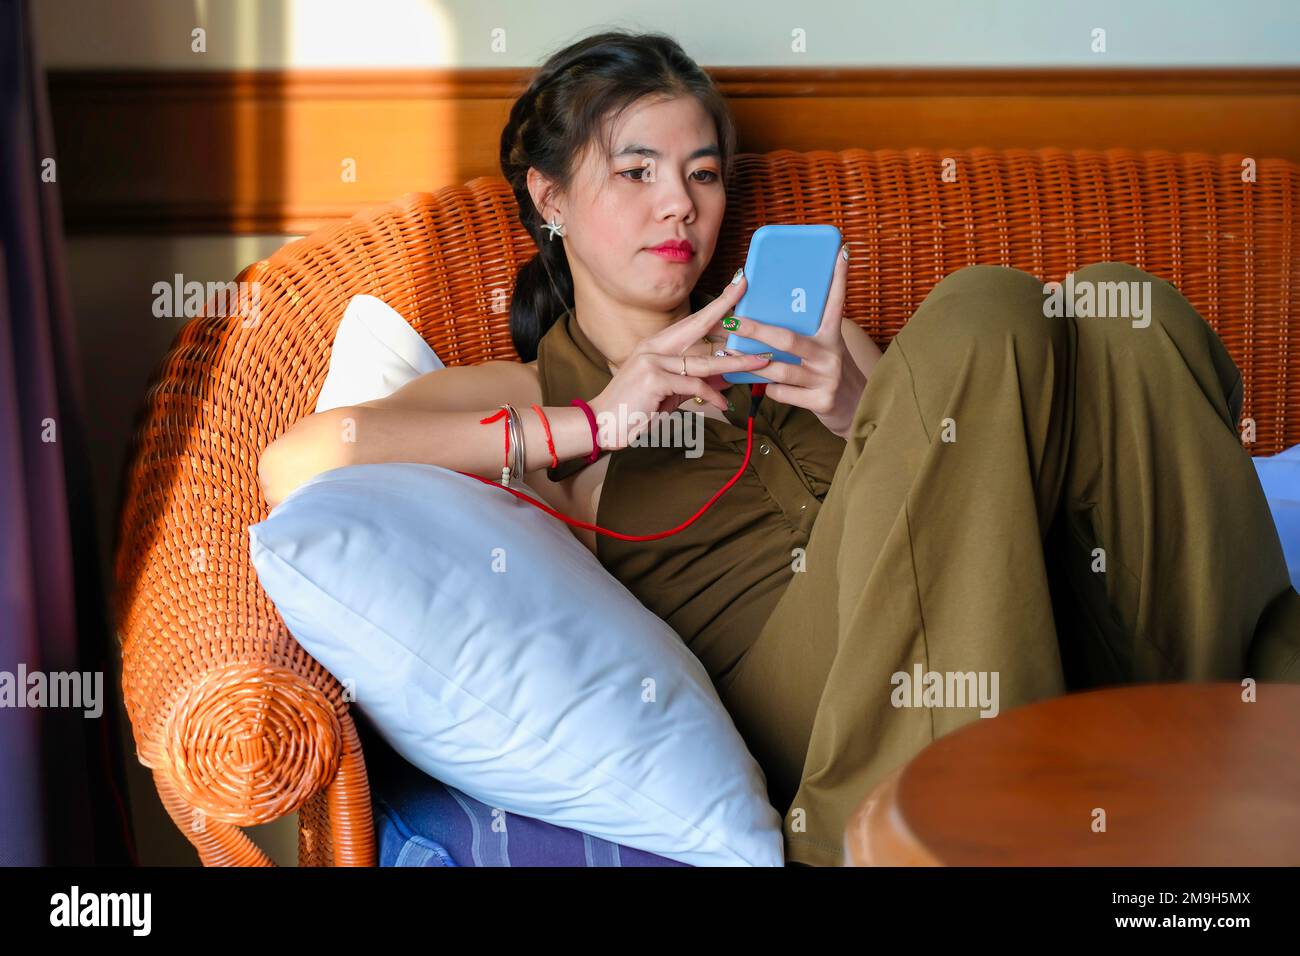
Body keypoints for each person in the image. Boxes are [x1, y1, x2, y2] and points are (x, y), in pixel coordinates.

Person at [258, 29, 1300, 867]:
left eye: (703, 174)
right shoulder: (528, 390)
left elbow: (960, 521)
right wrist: (598, 422)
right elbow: (300, 464)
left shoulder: (809, 335)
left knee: (1129, 313)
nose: (681, 202)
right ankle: (941, 823)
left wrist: (864, 404)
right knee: (985, 305)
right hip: (802, 703)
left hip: (962, 639)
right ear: (549, 198)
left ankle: (1228, 754)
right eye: (636, 171)